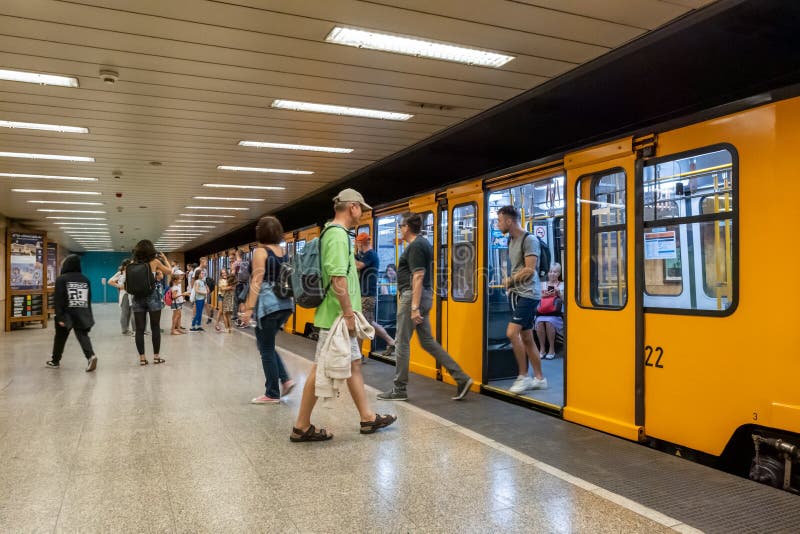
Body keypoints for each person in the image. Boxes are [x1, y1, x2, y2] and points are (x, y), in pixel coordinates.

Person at [289, 189, 396, 442]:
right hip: (336, 316)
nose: (362, 213)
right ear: (352, 207)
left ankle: (367, 418)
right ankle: (301, 426)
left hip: (339, 315)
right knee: (321, 369)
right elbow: (338, 278)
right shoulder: (337, 236)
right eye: (362, 208)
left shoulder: (337, 234)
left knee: (353, 364)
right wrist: (349, 314)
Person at [378, 212, 473, 402]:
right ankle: (461, 378)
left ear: (406, 227)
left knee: (401, 342)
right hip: (422, 297)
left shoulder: (416, 246)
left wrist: (414, 307)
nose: (399, 229)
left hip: (413, 297)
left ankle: (399, 389)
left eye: (400, 226)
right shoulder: (421, 244)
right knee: (427, 341)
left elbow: (418, 276)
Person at [239, 216, 296, 404]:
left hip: (269, 305)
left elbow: (257, 280)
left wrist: (248, 309)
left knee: (265, 348)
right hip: (286, 304)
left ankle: (272, 393)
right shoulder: (282, 251)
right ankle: (285, 380)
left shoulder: (260, 251)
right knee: (267, 345)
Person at [496, 205, 547, 394]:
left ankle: (523, 376)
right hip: (517, 294)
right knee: (526, 336)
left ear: (509, 221)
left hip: (528, 294)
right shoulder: (511, 240)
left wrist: (510, 280)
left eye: (500, 220)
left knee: (511, 333)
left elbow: (529, 269)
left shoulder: (529, 239)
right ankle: (540, 379)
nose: (498, 223)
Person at [46, 254, 97, 371]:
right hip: (81, 312)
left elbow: (58, 299)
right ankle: (91, 356)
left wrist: (59, 317)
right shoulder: (85, 279)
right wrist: (88, 315)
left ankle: (55, 361)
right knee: (83, 336)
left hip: (66, 313)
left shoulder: (61, 279)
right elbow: (88, 299)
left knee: (60, 338)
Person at [130, 240, 173, 365]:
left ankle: (142, 359)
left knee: (139, 329)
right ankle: (156, 357)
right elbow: (169, 272)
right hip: (152, 296)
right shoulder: (155, 262)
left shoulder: (133, 263)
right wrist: (165, 258)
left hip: (137, 297)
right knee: (155, 327)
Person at [355, 233, 396, 359]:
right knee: (369, 322)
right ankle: (391, 342)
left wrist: (349, 255)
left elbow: (358, 266)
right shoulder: (367, 255)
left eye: (357, 243)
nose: (357, 246)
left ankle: (358, 355)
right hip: (367, 294)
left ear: (361, 243)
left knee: (362, 325)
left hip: (367, 295)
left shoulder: (370, 254)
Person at [535, 263, 564, 360]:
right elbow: (536, 297)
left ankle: (551, 349)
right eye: (550, 271)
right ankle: (542, 349)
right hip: (542, 312)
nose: (552, 274)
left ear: (559, 273)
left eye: (555, 272)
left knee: (549, 322)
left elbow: (566, 301)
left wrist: (559, 292)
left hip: (555, 314)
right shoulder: (542, 284)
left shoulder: (562, 285)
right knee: (539, 322)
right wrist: (543, 295)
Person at [108, 259, 134, 336]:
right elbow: (110, 281)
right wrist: (120, 286)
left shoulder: (131, 273)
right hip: (124, 295)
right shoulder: (120, 273)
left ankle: (127, 329)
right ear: (126, 266)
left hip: (132, 295)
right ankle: (124, 330)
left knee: (129, 313)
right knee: (125, 313)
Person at [170, 270, 188, 335]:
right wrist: (182, 294)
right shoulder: (175, 287)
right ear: (175, 281)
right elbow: (174, 296)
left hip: (178, 303)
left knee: (179, 316)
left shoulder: (176, 286)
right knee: (176, 316)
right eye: (179, 279)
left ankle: (178, 328)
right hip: (175, 303)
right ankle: (173, 330)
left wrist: (182, 299)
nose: (180, 280)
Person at [190, 265, 208, 332]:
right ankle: (193, 326)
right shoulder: (197, 281)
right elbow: (197, 290)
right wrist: (204, 293)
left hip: (202, 299)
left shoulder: (202, 281)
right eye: (201, 273)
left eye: (203, 273)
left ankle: (198, 326)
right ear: (198, 274)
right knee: (198, 313)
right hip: (199, 299)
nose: (203, 274)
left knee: (200, 313)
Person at [213, 268, 230, 332]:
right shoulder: (220, 280)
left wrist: (228, 288)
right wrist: (229, 287)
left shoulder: (229, 279)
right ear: (221, 274)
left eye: (225, 272)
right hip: (221, 296)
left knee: (226, 312)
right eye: (222, 273)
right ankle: (217, 324)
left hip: (227, 297)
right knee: (220, 310)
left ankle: (227, 326)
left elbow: (232, 287)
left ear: (227, 273)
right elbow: (222, 288)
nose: (224, 274)